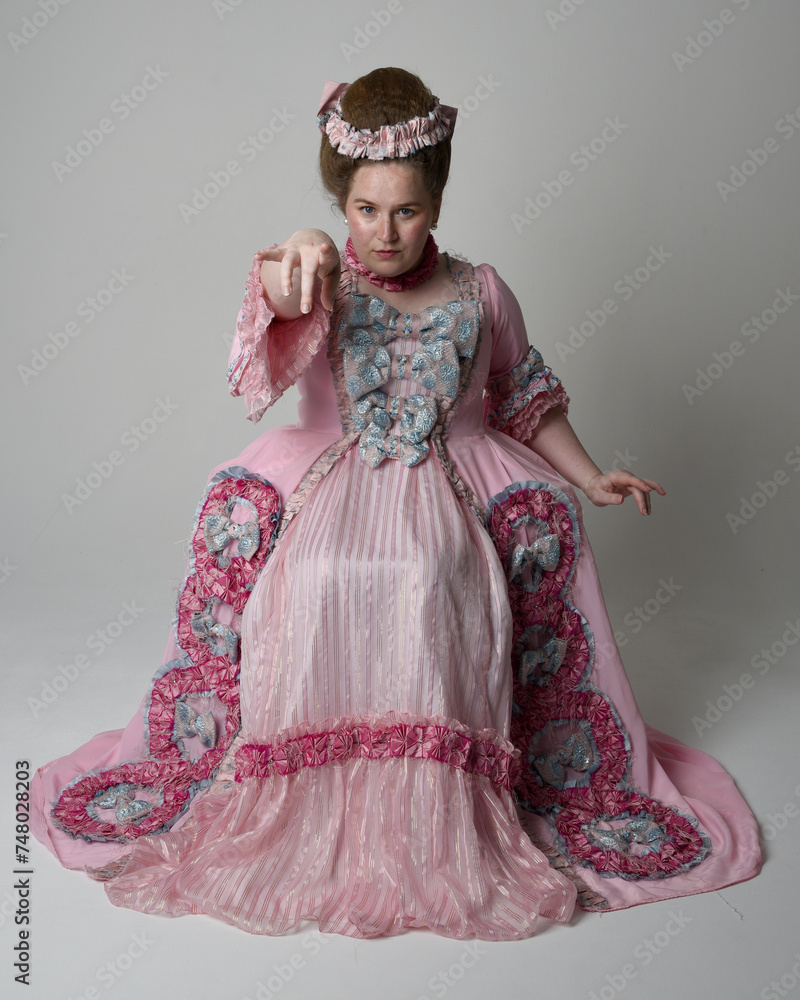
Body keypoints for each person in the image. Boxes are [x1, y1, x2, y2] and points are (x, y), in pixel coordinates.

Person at [30, 67, 761, 940]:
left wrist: (591, 474)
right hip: (332, 481)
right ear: (342, 205)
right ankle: (319, 784)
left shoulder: (482, 291)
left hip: (456, 474)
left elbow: (525, 397)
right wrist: (295, 249)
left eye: (406, 211)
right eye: (365, 211)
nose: (385, 232)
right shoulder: (325, 279)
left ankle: (436, 795)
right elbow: (278, 307)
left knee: (434, 567)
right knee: (323, 568)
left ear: (439, 203)